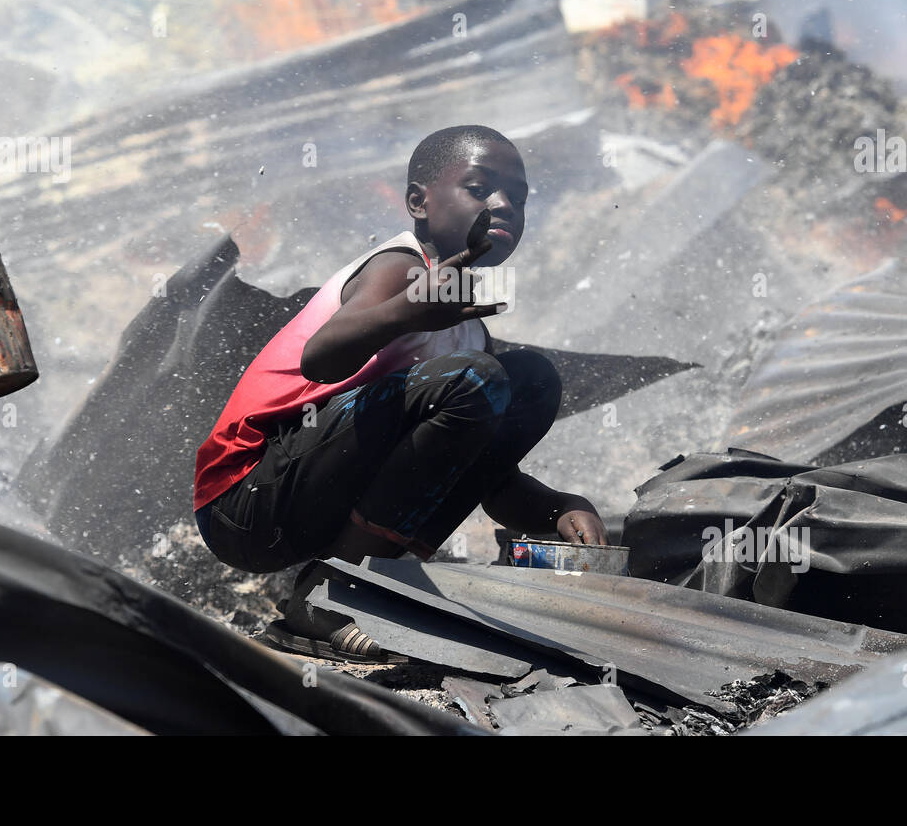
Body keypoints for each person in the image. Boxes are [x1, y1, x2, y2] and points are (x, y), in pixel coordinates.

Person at [193, 124, 608, 660]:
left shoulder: (467, 331)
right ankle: (331, 601)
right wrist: (402, 312)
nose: (504, 205)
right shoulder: (399, 266)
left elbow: (485, 477)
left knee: (532, 378)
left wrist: (559, 510)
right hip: (246, 501)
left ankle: (359, 588)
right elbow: (321, 357)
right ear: (418, 200)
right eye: (481, 189)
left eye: (519, 197)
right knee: (478, 378)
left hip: (306, 507)